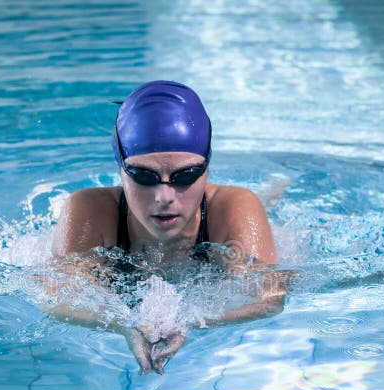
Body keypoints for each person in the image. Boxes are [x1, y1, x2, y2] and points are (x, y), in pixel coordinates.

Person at [49, 80, 286, 374]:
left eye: (185, 176)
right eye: (143, 176)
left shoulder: (234, 208)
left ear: (207, 168)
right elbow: (55, 298)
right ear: (120, 168)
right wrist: (124, 326)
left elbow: (270, 298)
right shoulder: (90, 211)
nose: (164, 197)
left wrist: (193, 322)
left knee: (263, 205)